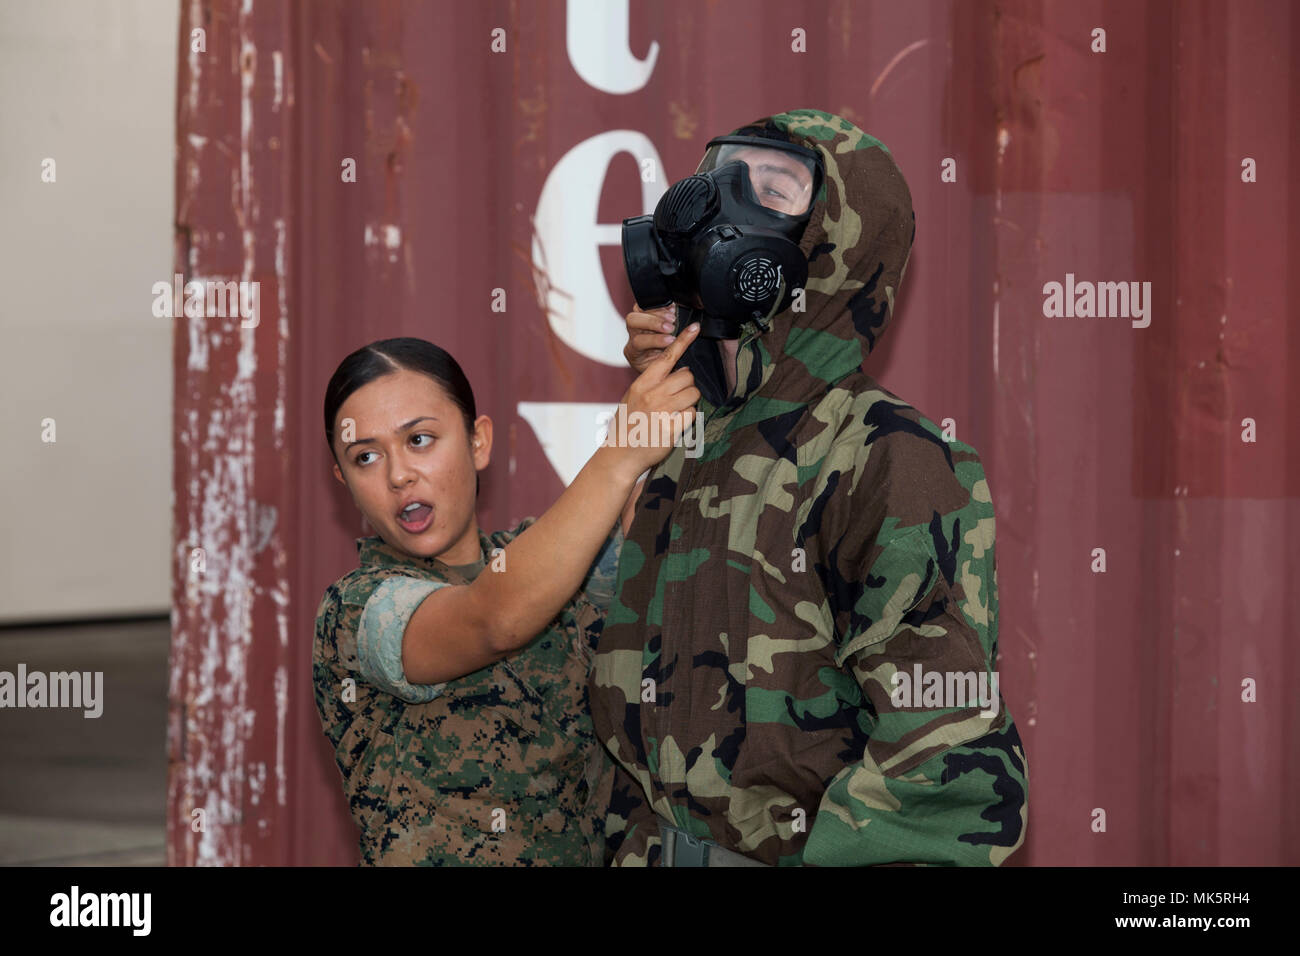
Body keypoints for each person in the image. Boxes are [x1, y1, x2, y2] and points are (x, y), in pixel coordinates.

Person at [591, 108, 1029, 866]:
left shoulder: (889, 455)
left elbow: (941, 762)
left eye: (775, 186)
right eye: (720, 169)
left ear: (835, 244)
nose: (719, 195)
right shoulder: (677, 438)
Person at [313, 327, 700, 865]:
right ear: (343, 479)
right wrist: (619, 453)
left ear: (479, 442)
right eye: (365, 458)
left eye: (419, 439)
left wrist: (683, 356)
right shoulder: (357, 610)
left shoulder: (560, 568)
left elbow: (662, 506)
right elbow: (493, 619)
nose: (399, 475)